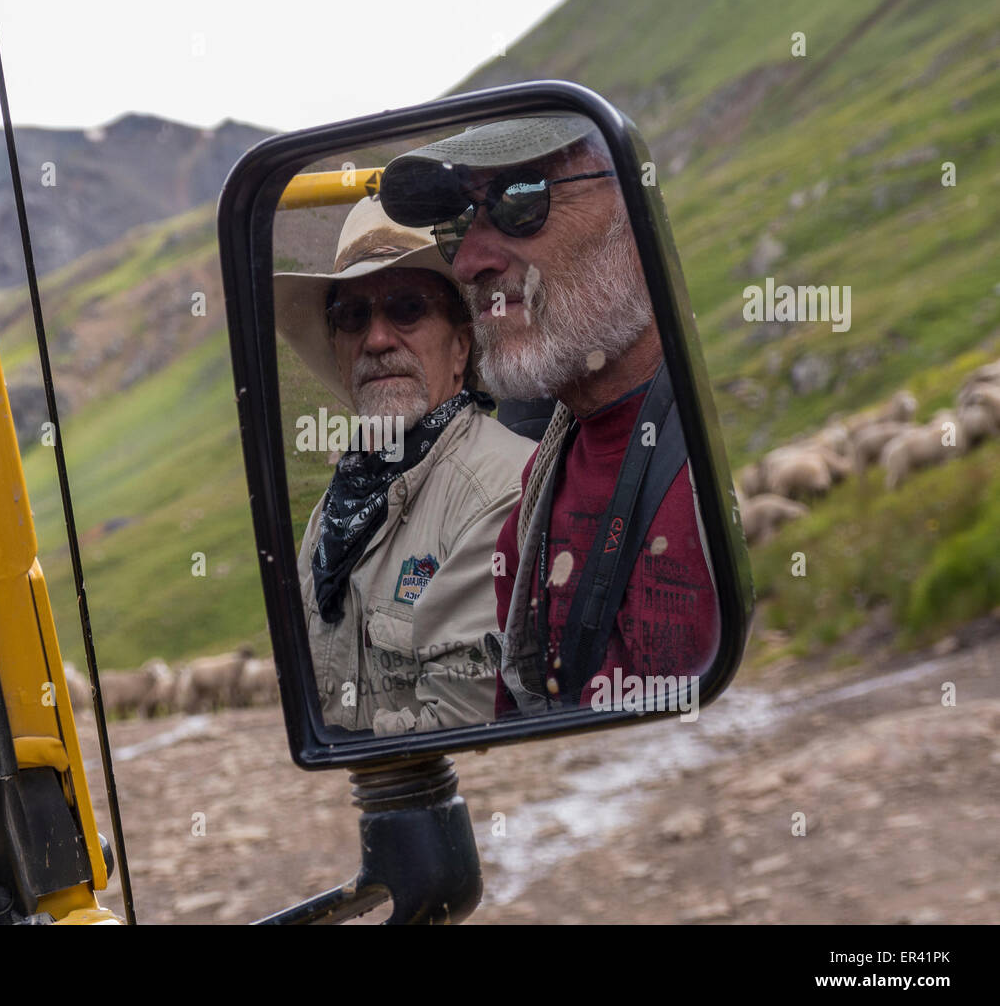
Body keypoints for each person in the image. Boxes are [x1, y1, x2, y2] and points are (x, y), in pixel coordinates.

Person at [380, 116, 719, 718]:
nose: (468, 264)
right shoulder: (537, 492)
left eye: (520, 200)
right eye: (458, 226)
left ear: (634, 221)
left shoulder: (720, 459)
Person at [273, 196, 534, 734]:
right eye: (351, 316)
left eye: (408, 308)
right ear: (339, 351)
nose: (376, 338)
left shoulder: (502, 490)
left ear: (462, 346)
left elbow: (466, 727)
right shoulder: (334, 513)